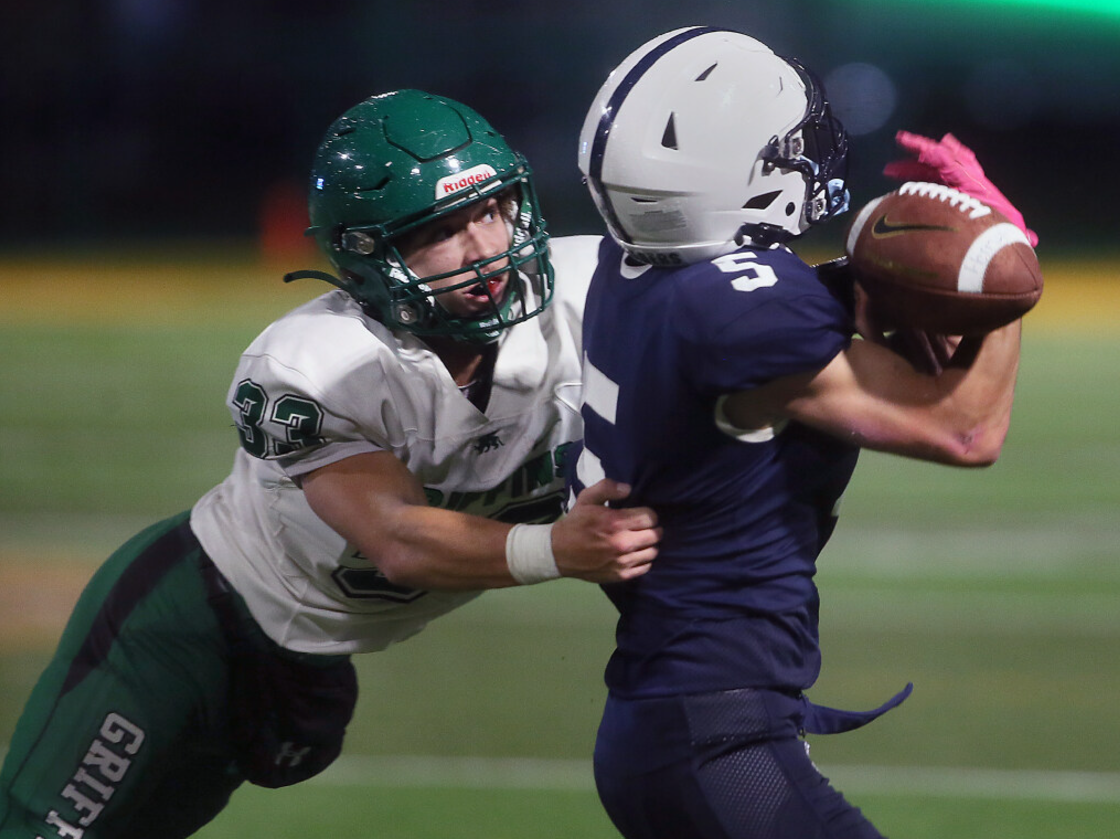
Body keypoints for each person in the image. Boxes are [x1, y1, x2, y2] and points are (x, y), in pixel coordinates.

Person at [0, 89, 660, 838]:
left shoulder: (599, 294)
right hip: (194, 624)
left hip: (315, 655)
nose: (485, 248)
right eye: (442, 231)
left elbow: (749, 316)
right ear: (368, 252)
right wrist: (555, 549)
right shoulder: (319, 367)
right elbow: (398, 540)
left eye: (492, 210)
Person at [571, 27, 1036, 839]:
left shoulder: (633, 266)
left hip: (673, 716)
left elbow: (768, 318)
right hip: (717, 735)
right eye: (785, 146)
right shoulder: (740, 310)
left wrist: (864, 282)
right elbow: (966, 432)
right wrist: (1003, 252)